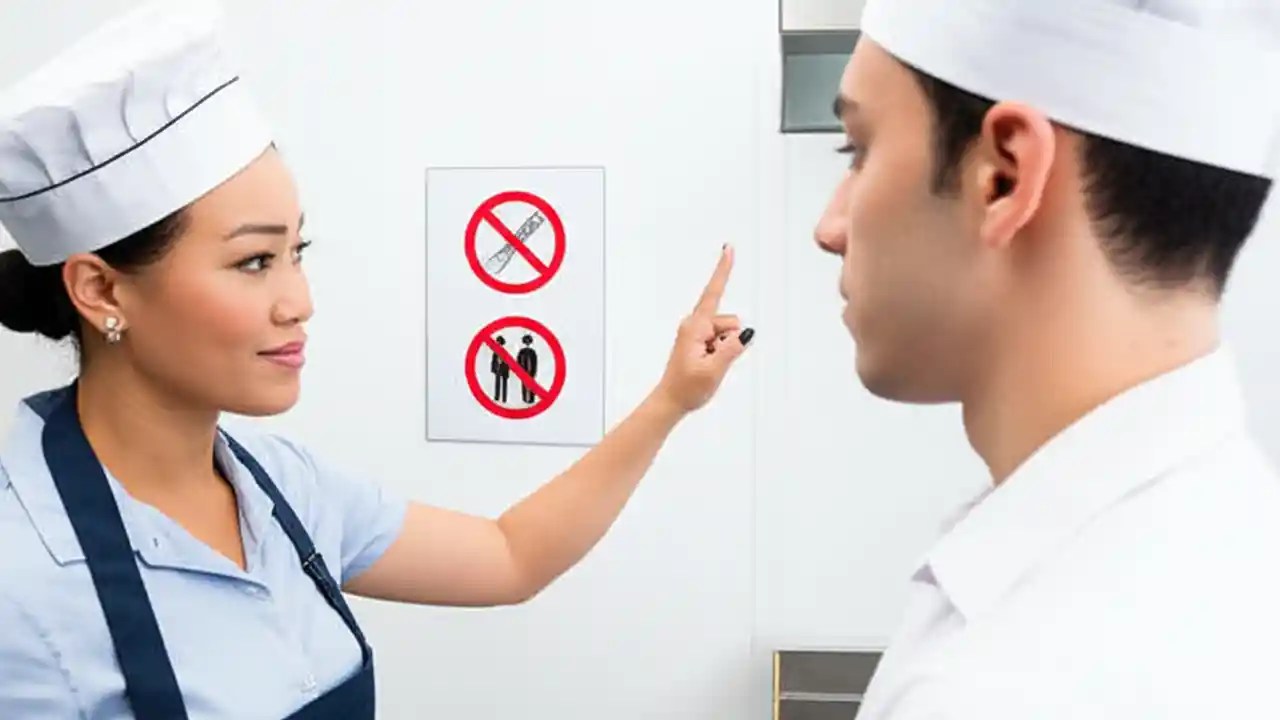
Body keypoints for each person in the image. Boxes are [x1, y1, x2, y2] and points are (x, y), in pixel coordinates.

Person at [0, 2, 754, 718]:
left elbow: (509, 556)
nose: (299, 301)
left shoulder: (284, 489)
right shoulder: (22, 574)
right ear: (101, 289)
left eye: (296, 252)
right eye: (254, 262)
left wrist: (670, 400)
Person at [814, 1, 1279, 717]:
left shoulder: (1005, 686)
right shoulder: (1236, 555)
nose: (830, 226)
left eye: (860, 150)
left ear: (1003, 174)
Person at [518, 334, 539, 404]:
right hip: (523, 371)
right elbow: (518, 361)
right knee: (524, 385)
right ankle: (524, 399)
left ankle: (531, 399)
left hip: (531, 371)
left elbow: (535, 362)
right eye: (526, 342)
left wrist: (535, 371)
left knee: (532, 385)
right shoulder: (521, 352)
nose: (527, 343)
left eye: (528, 342)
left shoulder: (533, 352)